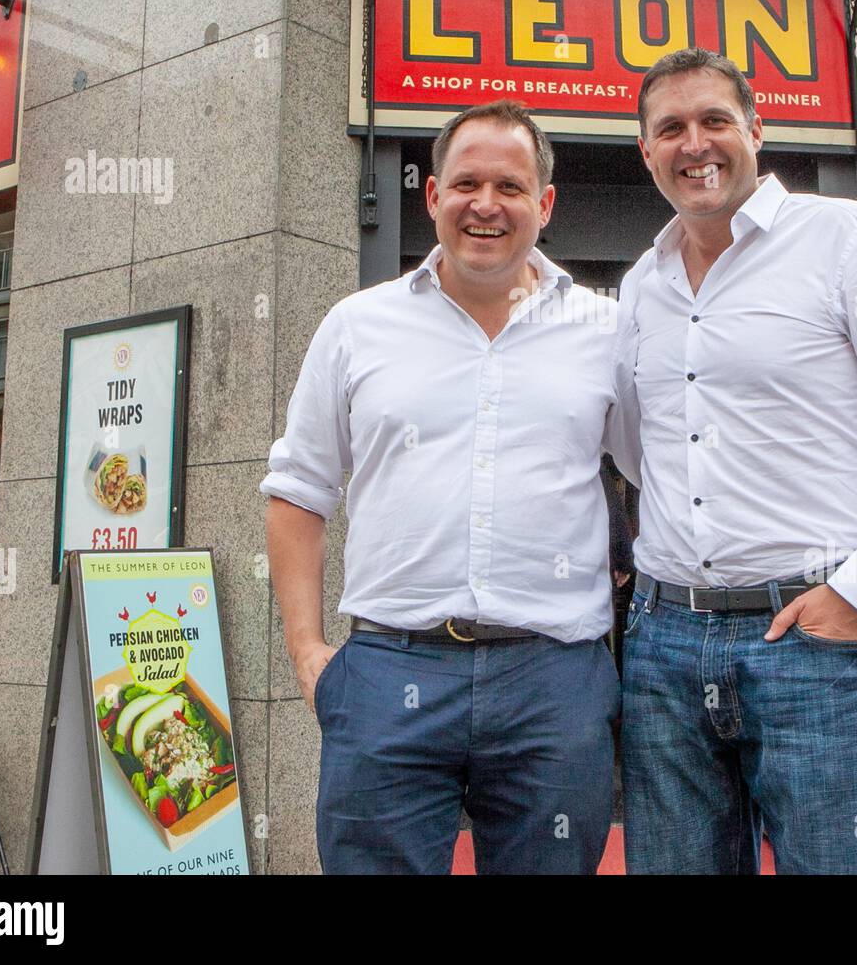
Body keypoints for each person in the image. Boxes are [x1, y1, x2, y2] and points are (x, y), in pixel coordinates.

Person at [616, 47, 857, 874]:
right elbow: (644, 451)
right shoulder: (641, 284)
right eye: (669, 128)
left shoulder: (841, 237)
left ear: (756, 127)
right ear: (645, 151)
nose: (695, 144)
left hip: (814, 644)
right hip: (664, 648)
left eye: (715, 120)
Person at [261, 100, 638, 875]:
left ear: (545, 204)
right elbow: (299, 489)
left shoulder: (607, 332)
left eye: (510, 184)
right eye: (466, 182)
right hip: (388, 670)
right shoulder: (356, 326)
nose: (486, 204)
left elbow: (660, 476)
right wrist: (307, 653)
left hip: (553, 679)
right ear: (432, 196)